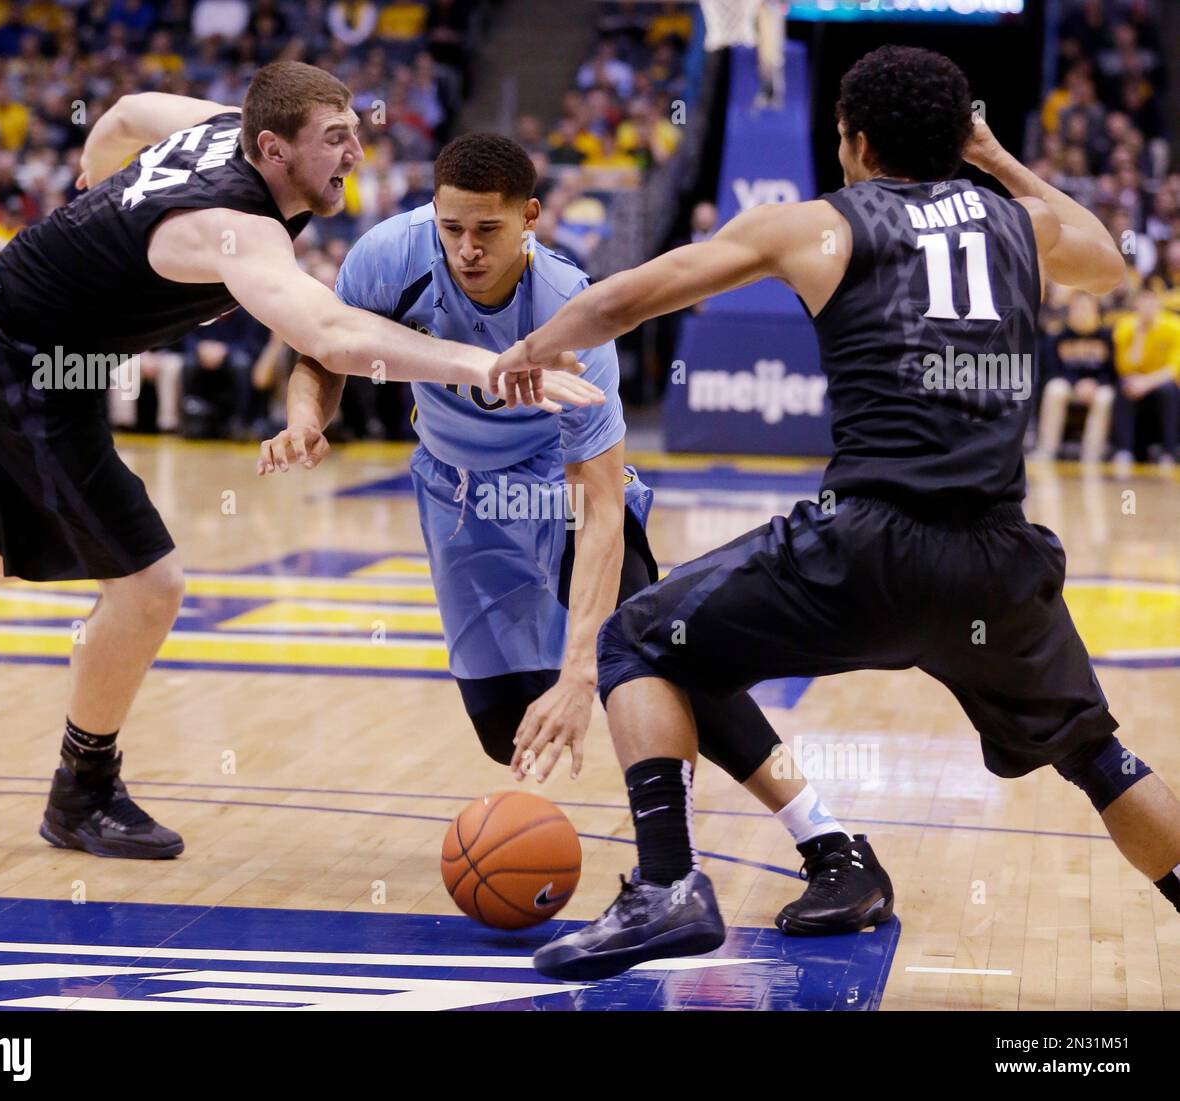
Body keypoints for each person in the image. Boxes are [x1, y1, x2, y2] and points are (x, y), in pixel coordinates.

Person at [498, 46, 1180, 981]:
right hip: (998, 562)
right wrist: (997, 157)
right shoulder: (1016, 219)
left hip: (864, 549)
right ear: (961, 139)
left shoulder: (815, 224)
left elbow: (629, 295)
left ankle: (668, 885)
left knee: (639, 640)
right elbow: (1105, 261)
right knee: (1099, 757)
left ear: (853, 143)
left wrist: (528, 352)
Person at [0, 61, 594, 862]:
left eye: (354, 131)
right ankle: (81, 790)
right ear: (273, 146)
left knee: (2, 542)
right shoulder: (235, 224)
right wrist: (484, 365)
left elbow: (123, 113)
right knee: (149, 587)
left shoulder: (228, 127)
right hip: (20, 364)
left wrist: (94, 186)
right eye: (335, 140)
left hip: (31, 343)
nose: (355, 153)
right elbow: (332, 338)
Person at [261, 131, 891, 935]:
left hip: (557, 492)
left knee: (656, 649)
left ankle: (826, 843)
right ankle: (653, 746)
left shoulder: (573, 305)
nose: (465, 249)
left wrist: (582, 670)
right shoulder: (389, 255)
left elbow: (598, 508)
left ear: (529, 217)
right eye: (451, 227)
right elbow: (325, 349)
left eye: (486, 230)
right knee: (505, 736)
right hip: (459, 501)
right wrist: (306, 415)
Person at [1031, 290, 1115, 462]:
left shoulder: (1108, 337)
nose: (1081, 312)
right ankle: (1047, 449)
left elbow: (1113, 371)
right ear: (1069, 312)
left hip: (1097, 387)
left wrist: (1095, 383)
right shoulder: (1057, 337)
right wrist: (1076, 383)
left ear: (1096, 311)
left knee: (1105, 396)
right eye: (1077, 308)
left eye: (1086, 308)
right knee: (1055, 389)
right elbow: (1052, 371)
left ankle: (1092, 453)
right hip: (1070, 386)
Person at [1110, 287, 1180, 471]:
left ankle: (1169, 451)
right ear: (1136, 305)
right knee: (1124, 385)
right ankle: (1124, 450)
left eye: (1151, 302)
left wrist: (1146, 383)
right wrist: (1139, 334)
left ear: (1159, 304)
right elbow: (1125, 367)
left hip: (1161, 381)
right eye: (1143, 302)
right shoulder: (1126, 326)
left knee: (1168, 389)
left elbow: (1173, 369)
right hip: (1137, 379)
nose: (1147, 307)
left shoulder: (1174, 325)